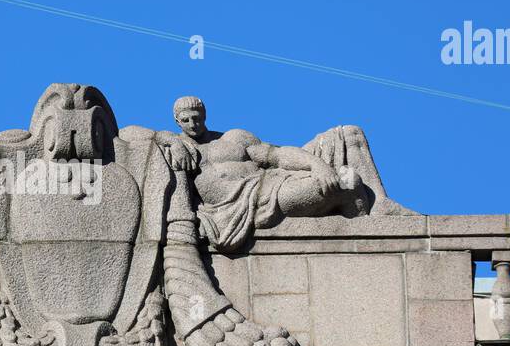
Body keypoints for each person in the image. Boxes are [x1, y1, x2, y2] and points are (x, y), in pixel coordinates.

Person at [159, 95, 414, 252]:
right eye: (186, 120)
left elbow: (277, 156)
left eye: (197, 118)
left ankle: (380, 204)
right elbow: (128, 138)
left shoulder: (233, 138)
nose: (193, 125)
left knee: (350, 132)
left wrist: (317, 165)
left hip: (274, 183)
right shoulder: (178, 149)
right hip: (253, 204)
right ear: (176, 122)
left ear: (205, 116)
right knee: (349, 182)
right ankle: (362, 232)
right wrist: (168, 140)